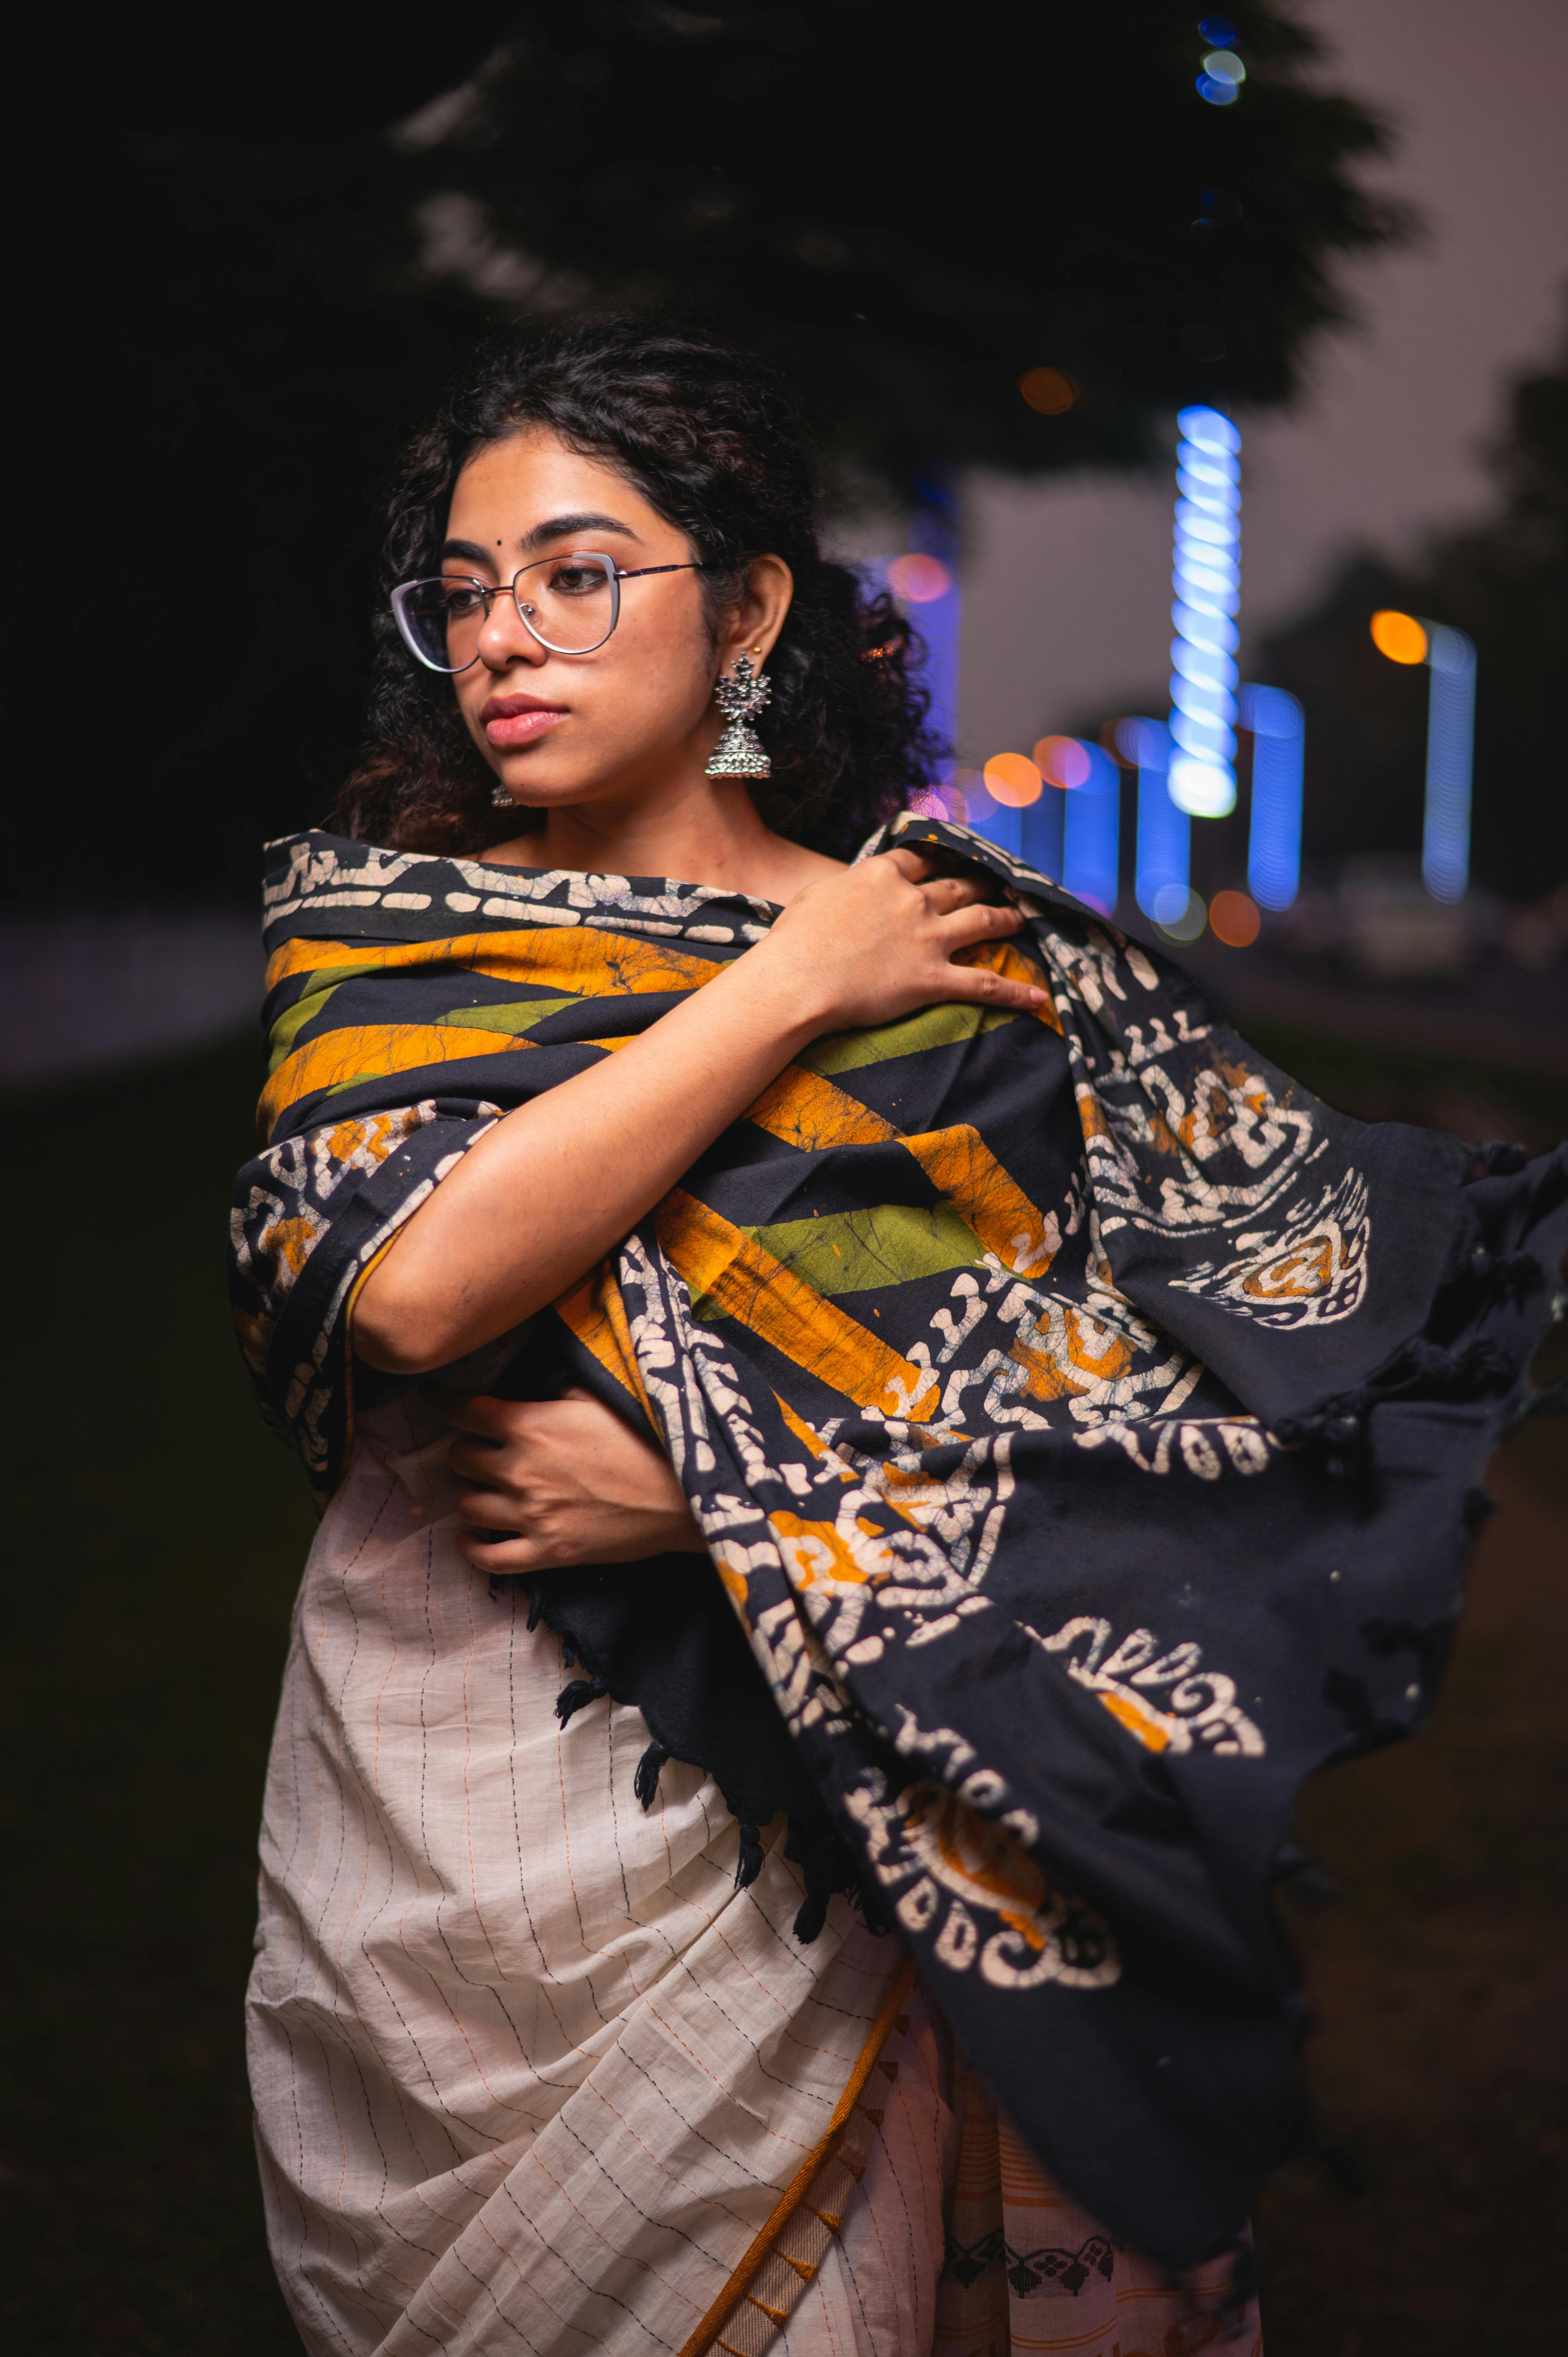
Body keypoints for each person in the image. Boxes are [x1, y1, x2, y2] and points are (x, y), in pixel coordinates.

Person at [232, 321, 1563, 2357]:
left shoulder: (962, 968)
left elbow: (1168, 1411)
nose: (506, 633)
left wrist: (711, 1496)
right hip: (455, 1778)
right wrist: (781, 989)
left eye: (579, 573)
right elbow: (407, 1285)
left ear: (750, 610)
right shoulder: (399, 945)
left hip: (833, 1821)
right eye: (469, 590)